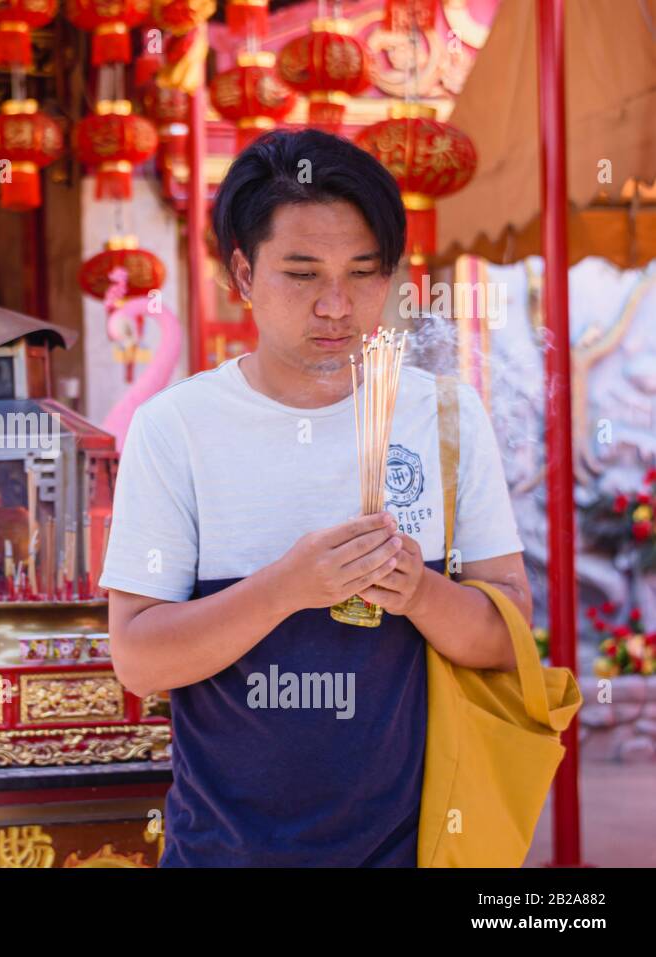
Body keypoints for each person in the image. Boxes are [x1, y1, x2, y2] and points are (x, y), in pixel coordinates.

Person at [101, 128, 529, 867]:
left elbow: (509, 631)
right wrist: (287, 587)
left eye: (364, 272)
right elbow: (138, 658)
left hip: (415, 850)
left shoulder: (446, 417)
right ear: (242, 273)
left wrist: (418, 590)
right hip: (223, 851)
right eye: (302, 273)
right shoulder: (177, 428)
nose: (337, 305)